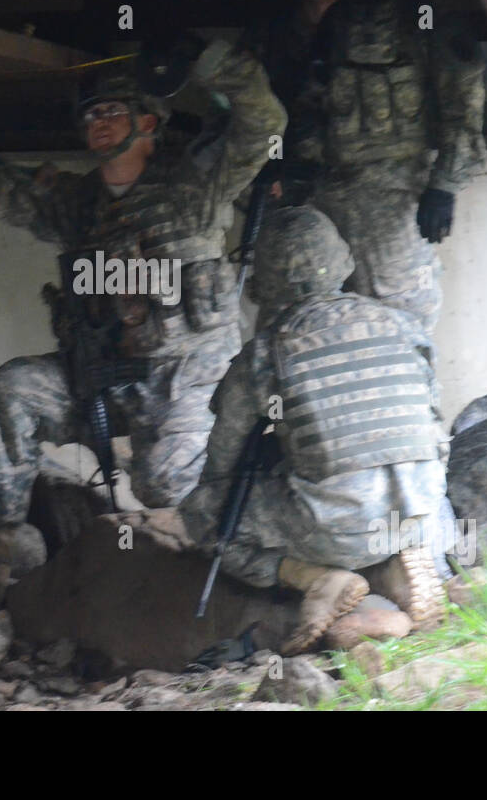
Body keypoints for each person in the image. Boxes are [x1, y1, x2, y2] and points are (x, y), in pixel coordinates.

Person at [0, 36, 287, 577]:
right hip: (106, 380)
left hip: (188, 382)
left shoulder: (194, 188)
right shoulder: (79, 205)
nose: (98, 122)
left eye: (113, 111)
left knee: (163, 484)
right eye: (91, 115)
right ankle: (5, 545)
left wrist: (209, 59)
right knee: (13, 390)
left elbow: (263, 124)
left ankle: (241, 531)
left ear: (148, 123)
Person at [179, 206, 448, 655]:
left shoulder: (266, 352)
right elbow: (430, 418)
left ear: (266, 281)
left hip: (335, 527)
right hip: (421, 510)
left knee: (201, 512)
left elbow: (222, 462)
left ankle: (320, 578)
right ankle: (397, 562)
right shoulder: (403, 325)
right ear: (343, 261)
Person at [247, 0, 486, 336]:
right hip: (315, 196)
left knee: (398, 319)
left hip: (390, 199)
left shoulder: (423, 14)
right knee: (297, 321)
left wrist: (445, 184)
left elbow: (463, 100)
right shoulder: (317, 15)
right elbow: (280, 89)